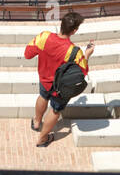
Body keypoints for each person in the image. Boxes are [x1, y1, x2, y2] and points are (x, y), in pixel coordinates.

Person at [24, 9, 94, 148]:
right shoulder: (75, 51)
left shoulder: (44, 37)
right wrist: (87, 54)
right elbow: (83, 71)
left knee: (43, 96)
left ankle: (37, 122)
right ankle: (42, 139)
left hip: (44, 79)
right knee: (55, 110)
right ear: (74, 31)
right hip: (60, 88)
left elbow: (28, 54)